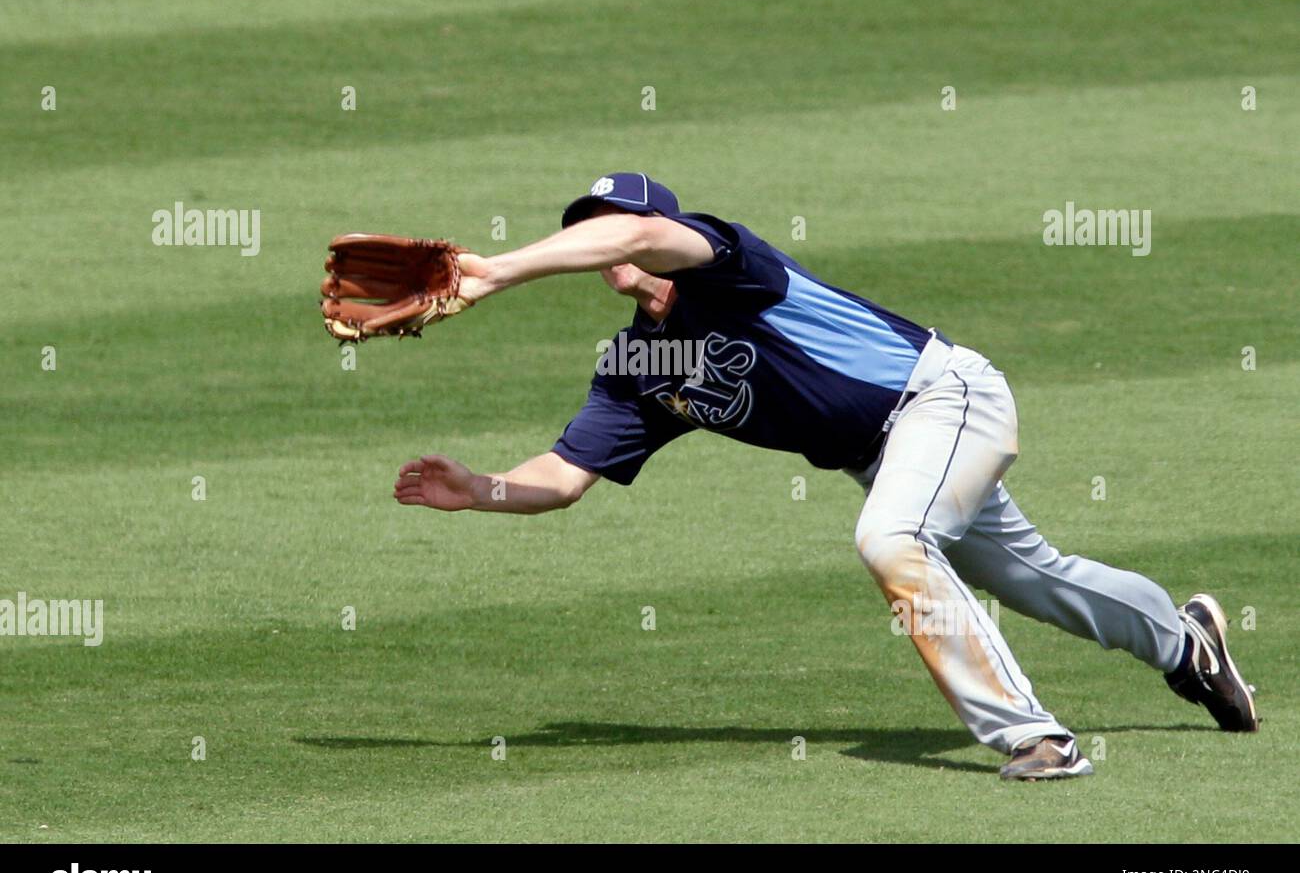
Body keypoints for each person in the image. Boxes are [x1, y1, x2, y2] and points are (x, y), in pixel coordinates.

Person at [393, 172, 1259, 780]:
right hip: (890, 452)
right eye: (587, 228)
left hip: (945, 397)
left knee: (889, 539)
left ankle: (1036, 737)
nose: (603, 242)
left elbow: (644, 232)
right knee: (1033, 579)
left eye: (605, 227)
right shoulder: (636, 363)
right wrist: (482, 489)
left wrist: (499, 268)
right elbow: (567, 473)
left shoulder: (728, 266)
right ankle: (1187, 644)